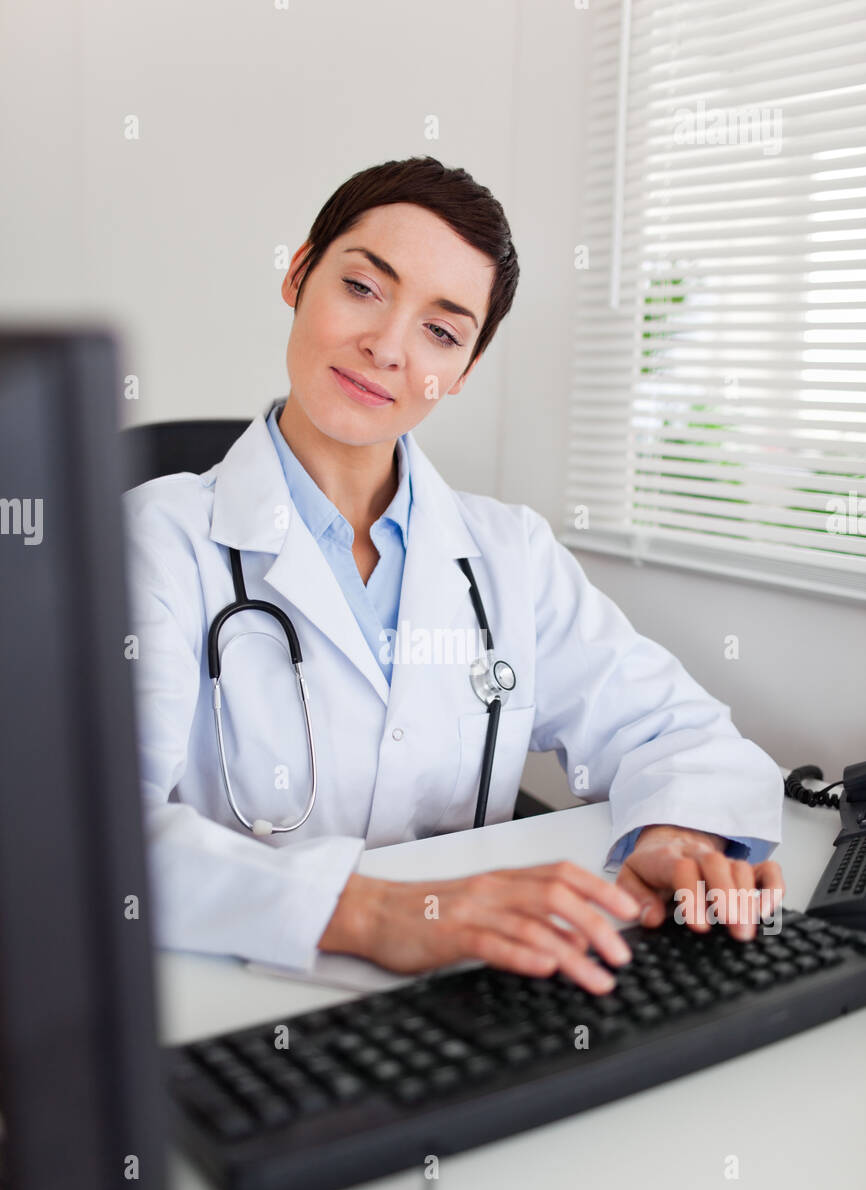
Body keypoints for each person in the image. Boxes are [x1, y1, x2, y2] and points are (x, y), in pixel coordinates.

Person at [122, 155, 785, 996]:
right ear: (298, 273)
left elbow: (672, 730)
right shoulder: (152, 540)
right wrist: (369, 913)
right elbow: (81, 833)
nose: (387, 347)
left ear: (464, 371)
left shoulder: (509, 553)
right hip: (231, 999)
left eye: (441, 330)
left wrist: (675, 833)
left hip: (473, 995)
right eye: (364, 288)